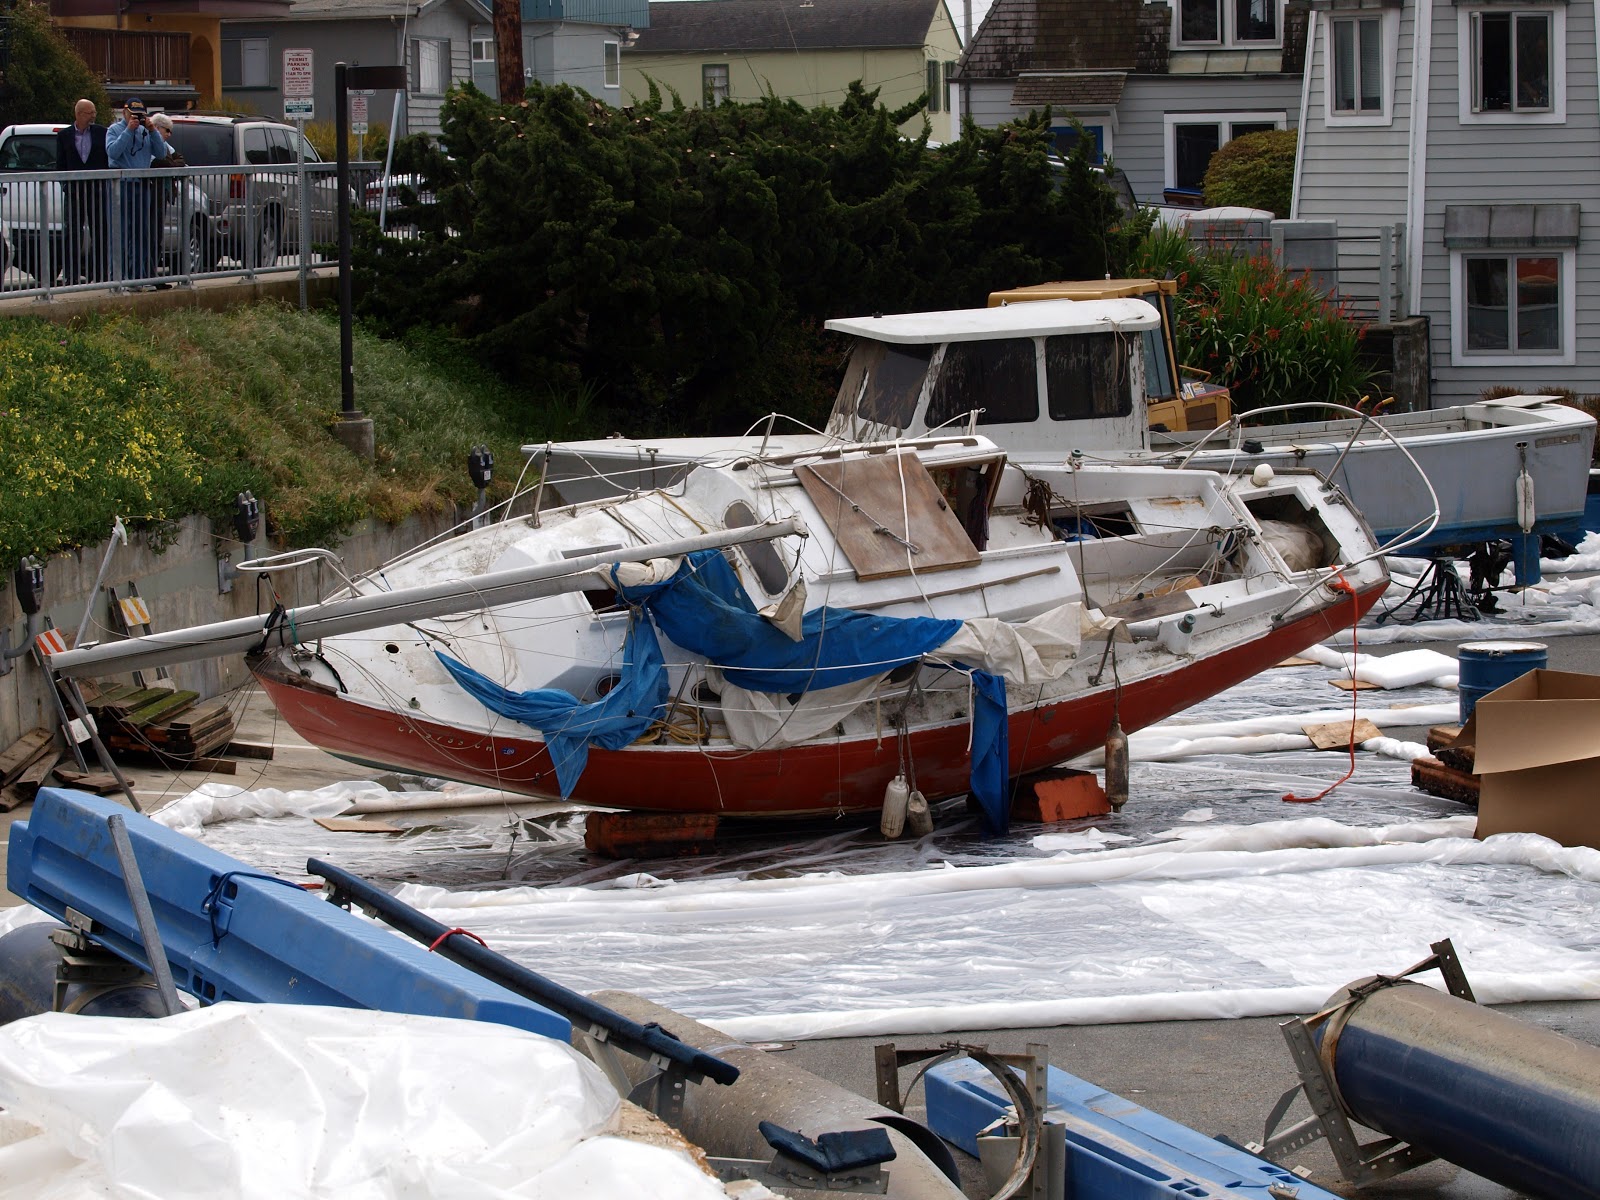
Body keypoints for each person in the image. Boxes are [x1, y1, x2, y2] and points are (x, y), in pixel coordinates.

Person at [105, 98, 169, 289]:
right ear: (124, 112)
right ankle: (119, 278)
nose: (137, 118)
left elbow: (161, 153)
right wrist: (128, 130)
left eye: (140, 115)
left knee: (141, 233)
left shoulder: (145, 132)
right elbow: (113, 152)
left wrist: (152, 131)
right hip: (121, 186)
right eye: (133, 114)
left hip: (141, 186)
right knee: (121, 233)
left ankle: (138, 278)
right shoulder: (114, 130)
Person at [54, 99, 110, 284]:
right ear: (78, 114)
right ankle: (72, 276)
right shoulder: (64, 136)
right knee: (72, 235)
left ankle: (99, 274)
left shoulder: (102, 133)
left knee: (100, 233)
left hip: (97, 191)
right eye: (89, 113)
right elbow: (61, 165)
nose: (93, 116)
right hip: (74, 192)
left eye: (94, 112)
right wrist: (66, 187)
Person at [149, 112, 188, 283]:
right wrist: (170, 163)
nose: (170, 134)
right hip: (152, 192)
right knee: (150, 235)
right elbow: (157, 163)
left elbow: (180, 160)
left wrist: (169, 163)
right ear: (156, 128)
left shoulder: (166, 146)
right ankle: (148, 275)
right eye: (167, 130)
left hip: (162, 193)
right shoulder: (150, 143)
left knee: (157, 235)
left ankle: (154, 274)